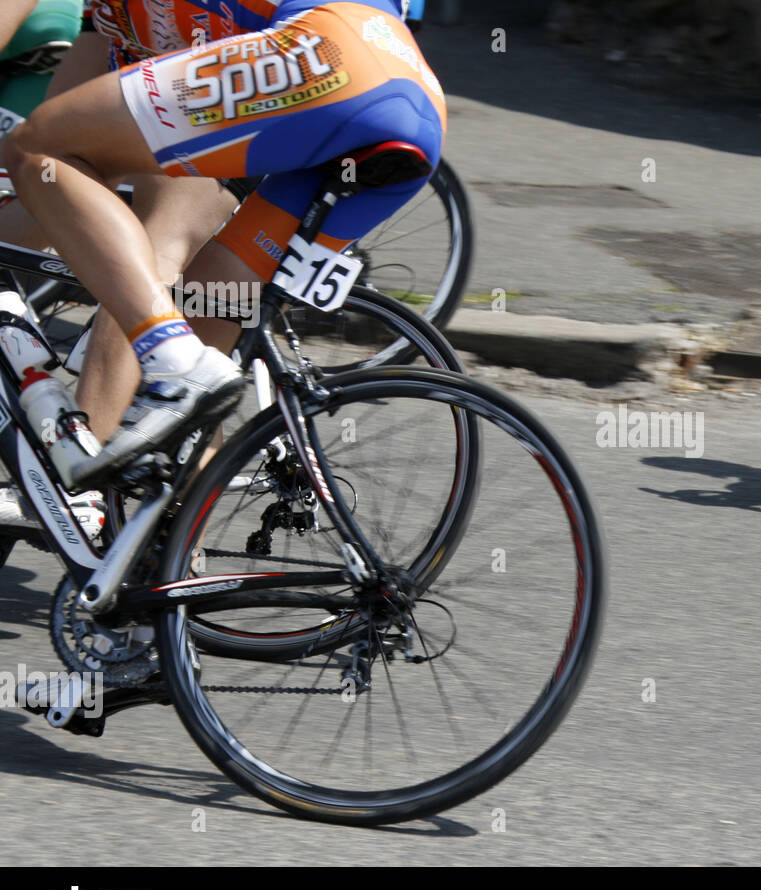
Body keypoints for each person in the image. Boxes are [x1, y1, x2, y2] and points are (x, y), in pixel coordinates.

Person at [0, 0, 445, 510]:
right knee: (206, 312)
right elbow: (45, 190)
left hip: (314, 58)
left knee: (144, 259)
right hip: (401, 95)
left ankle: (73, 487)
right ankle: (170, 570)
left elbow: (38, 150)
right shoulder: (103, 25)